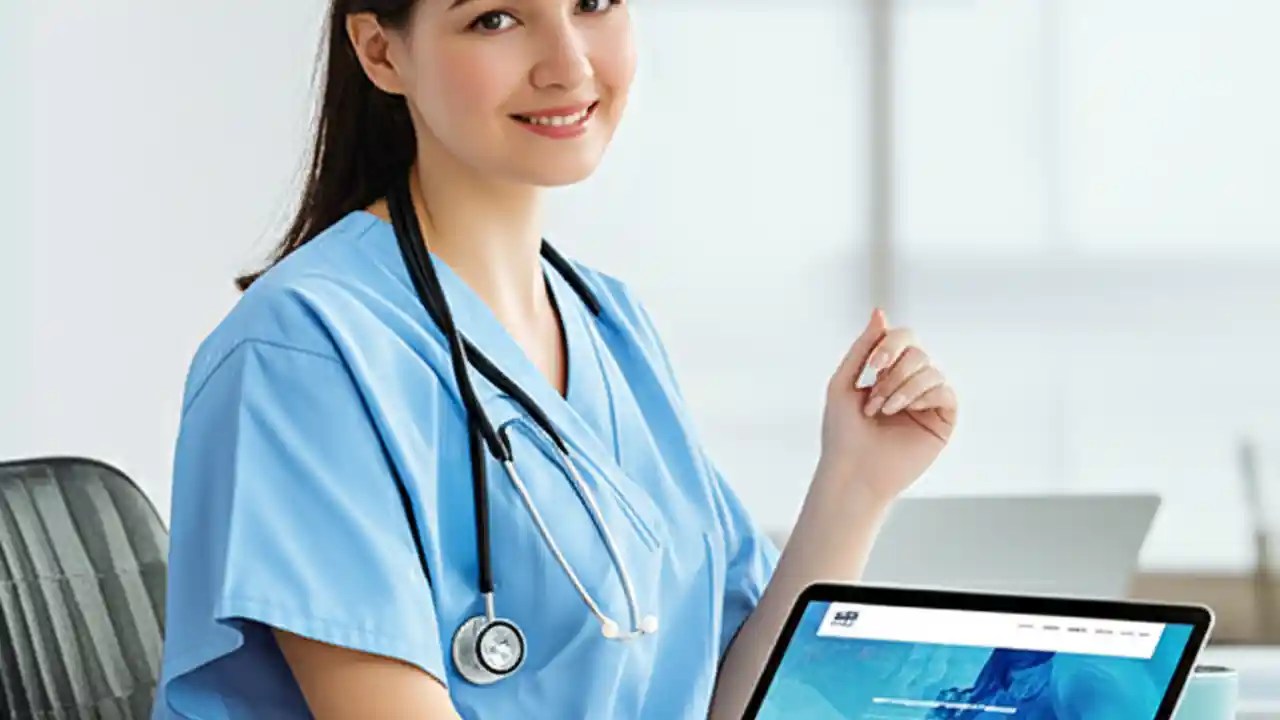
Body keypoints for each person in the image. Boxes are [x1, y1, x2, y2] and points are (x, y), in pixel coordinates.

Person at [152, 0, 959, 717]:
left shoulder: (612, 324)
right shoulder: (303, 353)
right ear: (381, 53)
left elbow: (727, 695)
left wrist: (856, 481)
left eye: (594, 3)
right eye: (495, 19)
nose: (569, 64)